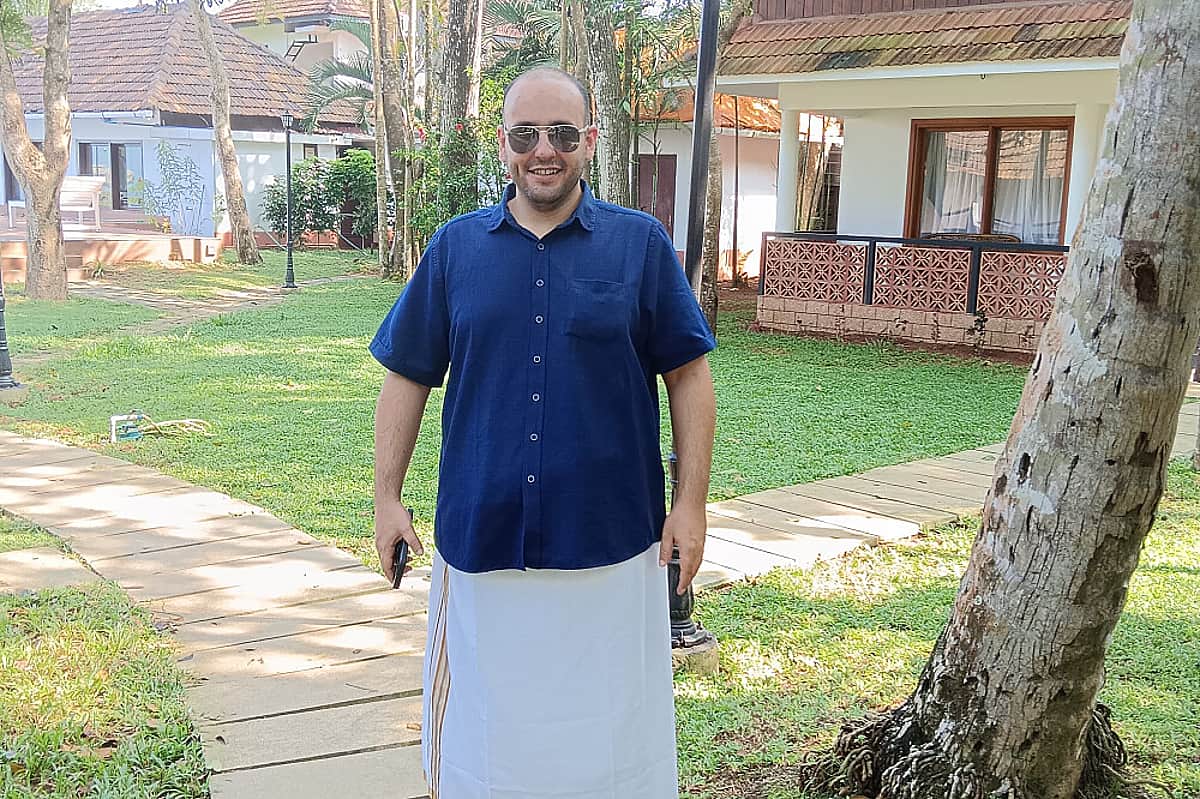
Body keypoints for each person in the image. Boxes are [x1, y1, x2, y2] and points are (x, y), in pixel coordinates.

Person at [370, 65, 716, 799]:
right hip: (483, 544)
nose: (544, 150)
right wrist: (385, 497)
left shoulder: (639, 245)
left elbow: (689, 375)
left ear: (589, 141)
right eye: (526, 135)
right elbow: (407, 373)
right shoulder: (456, 250)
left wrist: (692, 504)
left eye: (561, 133)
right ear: (503, 145)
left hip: (612, 548)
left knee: (611, 736)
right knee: (483, 742)